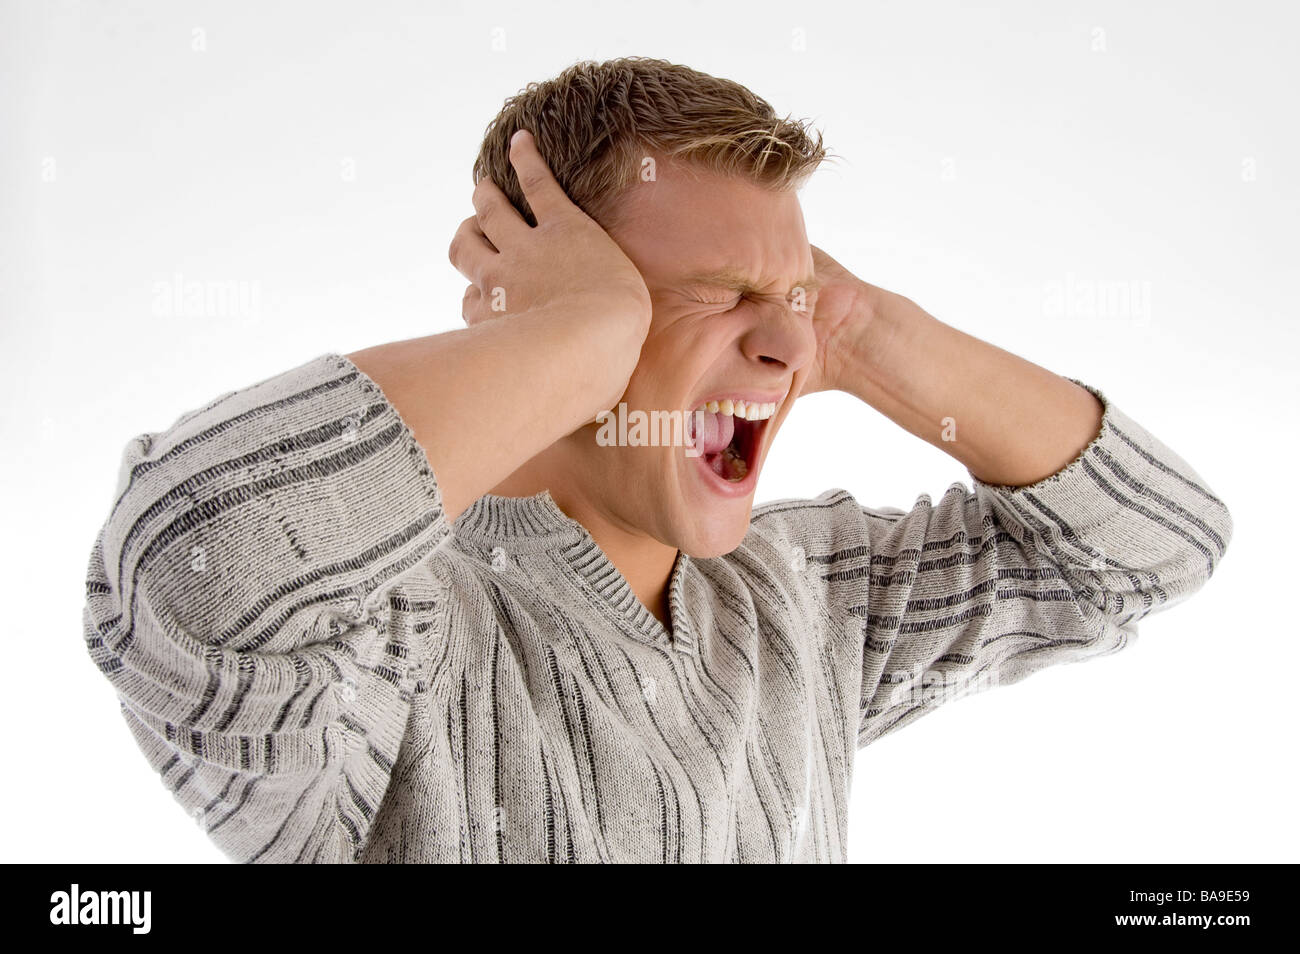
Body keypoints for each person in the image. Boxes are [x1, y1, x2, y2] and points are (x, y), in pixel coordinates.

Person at [82, 57, 1232, 863]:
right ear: (540, 304)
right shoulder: (390, 637)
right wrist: (576, 337)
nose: (784, 345)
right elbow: (188, 577)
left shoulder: (806, 602)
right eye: (717, 297)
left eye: (793, 300)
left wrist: (864, 330)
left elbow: (1149, 550)